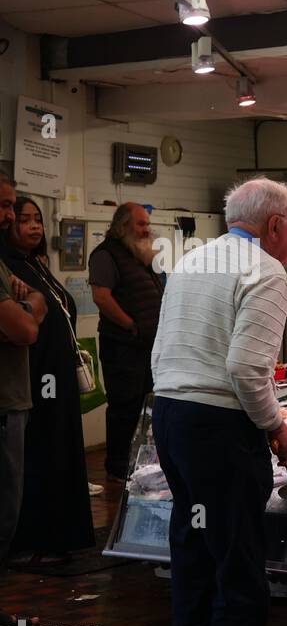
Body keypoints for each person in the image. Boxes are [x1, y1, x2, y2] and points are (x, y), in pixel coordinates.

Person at [150, 177, 287, 626]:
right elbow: (245, 369)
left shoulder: (192, 261)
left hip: (171, 416)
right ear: (276, 226)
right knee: (239, 567)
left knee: (193, 558)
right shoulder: (265, 270)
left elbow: (162, 349)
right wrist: (278, 428)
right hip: (220, 429)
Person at [4, 196, 95, 559]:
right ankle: (34, 537)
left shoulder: (36, 264)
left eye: (37, 220)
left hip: (58, 378)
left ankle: (65, 535)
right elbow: (25, 325)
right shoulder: (8, 268)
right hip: (33, 379)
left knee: (63, 449)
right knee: (38, 453)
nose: (33, 226)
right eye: (23, 219)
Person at [0, 174, 47, 626]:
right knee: (2, 512)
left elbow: (36, 306)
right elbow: (27, 329)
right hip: (4, 404)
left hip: (14, 399)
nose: (11, 216)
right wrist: (30, 307)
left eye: (15, 207)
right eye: (6, 206)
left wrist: (29, 302)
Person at [89, 202, 164, 480]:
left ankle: (140, 464)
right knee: (124, 406)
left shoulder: (139, 255)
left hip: (147, 347)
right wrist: (130, 325)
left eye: (147, 224)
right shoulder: (106, 255)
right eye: (141, 224)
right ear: (123, 227)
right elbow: (102, 297)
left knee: (146, 406)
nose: (147, 229)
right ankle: (118, 467)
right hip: (122, 347)